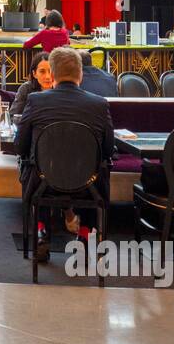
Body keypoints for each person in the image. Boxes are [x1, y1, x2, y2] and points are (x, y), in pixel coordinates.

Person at [13, 47, 115, 245]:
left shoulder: (35, 101)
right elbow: (109, 149)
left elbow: (20, 146)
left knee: (37, 164)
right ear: (81, 74)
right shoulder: (99, 105)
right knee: (96, 167)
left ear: (52, 73)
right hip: (87, 185)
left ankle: (42, 231)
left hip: (44, 183)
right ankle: (85, 234)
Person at [9, 53, 52, 118]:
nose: (47, 76)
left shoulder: (61, 89)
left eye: (51, 71)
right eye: (42, 71)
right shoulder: (26, 89)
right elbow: (13, 117)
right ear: (34, 74)